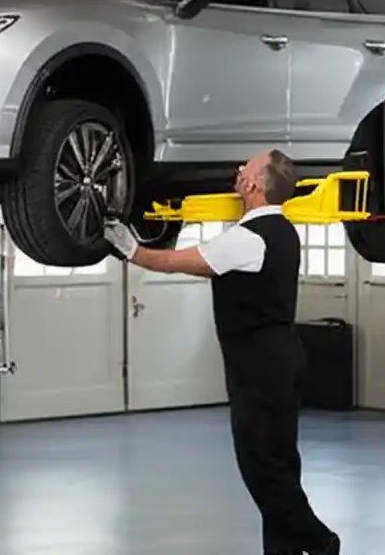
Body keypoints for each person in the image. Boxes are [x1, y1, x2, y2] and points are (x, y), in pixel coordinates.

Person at [104, 149, 340, 555]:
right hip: (279, 357)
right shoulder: (282, 230)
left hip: (260, 365)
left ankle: (321, 542)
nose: (238, 170)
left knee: (260, 466)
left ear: (254, 185)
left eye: (245, 167)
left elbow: (179, 261)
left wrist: (131, 250)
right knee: (280, 463)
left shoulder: (249, 238)